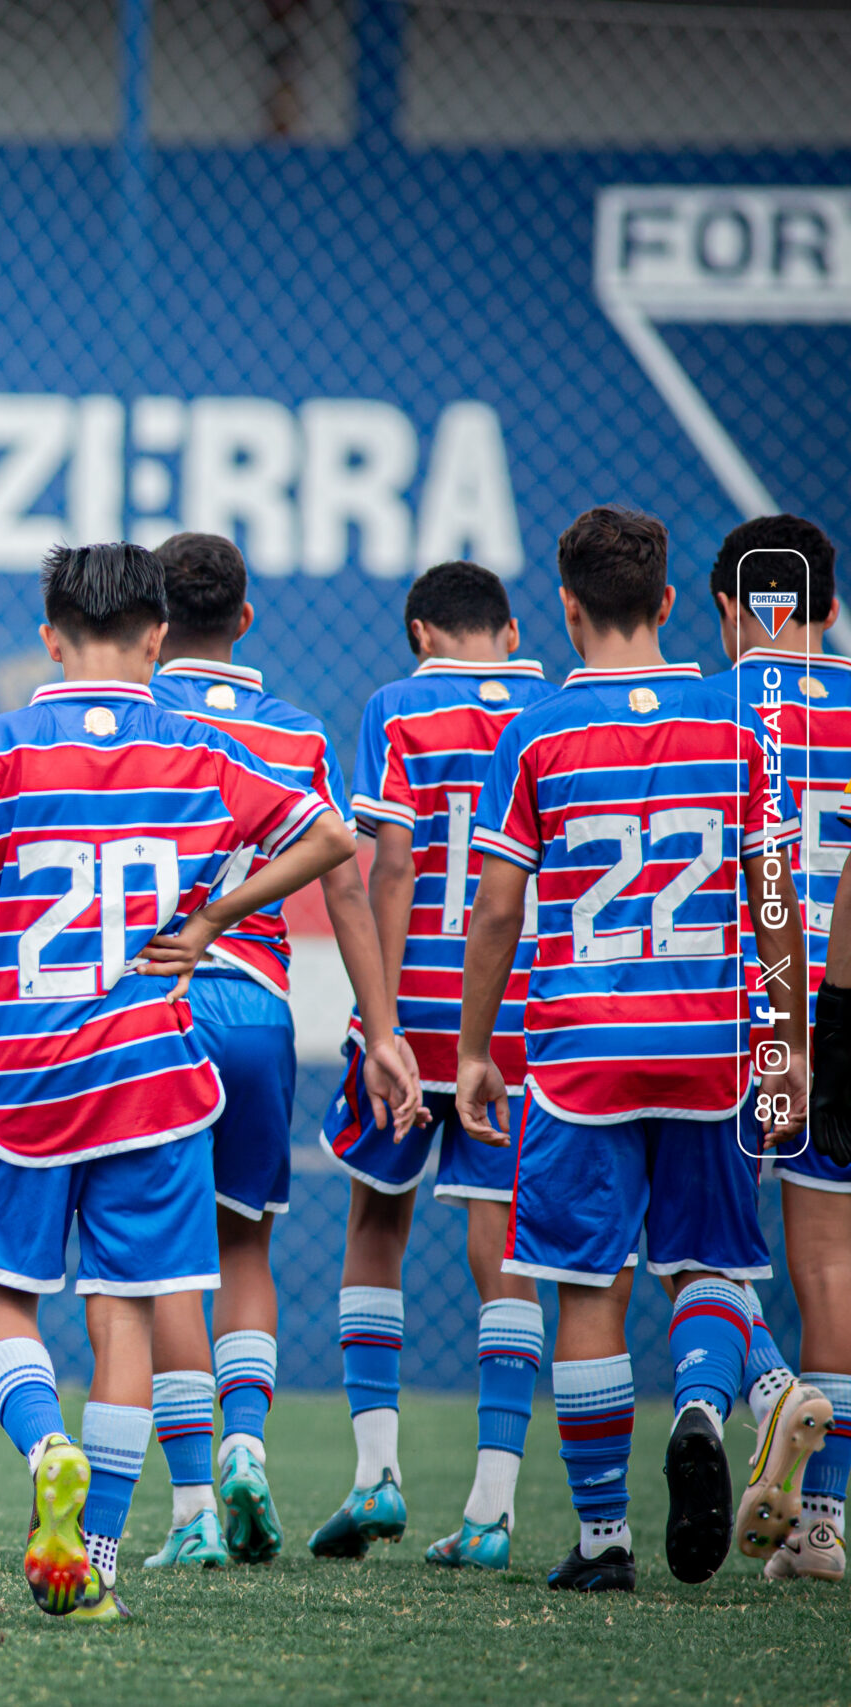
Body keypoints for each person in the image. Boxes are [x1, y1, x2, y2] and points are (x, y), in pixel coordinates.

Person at [0, 540, 352, 1623]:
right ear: (157, 639)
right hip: (153, 1071)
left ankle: (42, 1445)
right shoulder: (198, 749)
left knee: (2, 1296)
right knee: (128, 1315)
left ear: (50, 639)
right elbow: (328, 836)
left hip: (24, 1074)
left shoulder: (2, 749)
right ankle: (93, 1554)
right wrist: (209, 922)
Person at [456, 504, 804, 1593]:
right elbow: (778, 907)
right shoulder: (737, 727)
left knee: (585, 1288)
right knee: (706, 1264)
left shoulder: (537, 733)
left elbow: (498, 912)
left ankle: (603, 1541)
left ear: (564, 609)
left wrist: (476, 1050)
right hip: (708, 1047)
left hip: (579, 1056)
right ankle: (702, 1405)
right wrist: (782, 1047)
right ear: (664, 603)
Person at [136, 532, 421, 1570]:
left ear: (151, 625)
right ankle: (247, 1447)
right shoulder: (295, 731)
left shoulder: (138, 714)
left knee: (161, 1261)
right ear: (245, 622)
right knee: (242, 1243)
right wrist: (382, 1032)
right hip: (258, 1009)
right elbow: (342, 881)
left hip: (153, 1004)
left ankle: (189, 1510)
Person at [323, 559, 556, 1572]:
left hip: (417, 997)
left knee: (376, 1218)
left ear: (421, 631)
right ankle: (493, 1506)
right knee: (499, 1239)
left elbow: (395, 863)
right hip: (517, 1001)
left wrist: (380, 1018)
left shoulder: (398, 707)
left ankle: (375, 1473)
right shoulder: (551, 708)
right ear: (509, 631)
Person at [708, 515, 844, 1583]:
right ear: (831, 611)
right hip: (841, 999)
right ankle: (822, 1526)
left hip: (728, 999)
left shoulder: (711, 713)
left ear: (723, 613)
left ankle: (763, 1387)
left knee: (697, 1245)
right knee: (831, 1263)